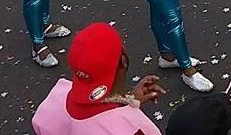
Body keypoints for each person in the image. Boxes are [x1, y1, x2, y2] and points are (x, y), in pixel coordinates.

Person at [31, 23, 165, 134]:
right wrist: (129, 111)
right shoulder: (134, 129)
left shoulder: (54, 100)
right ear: (123, 60)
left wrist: (127, 100)